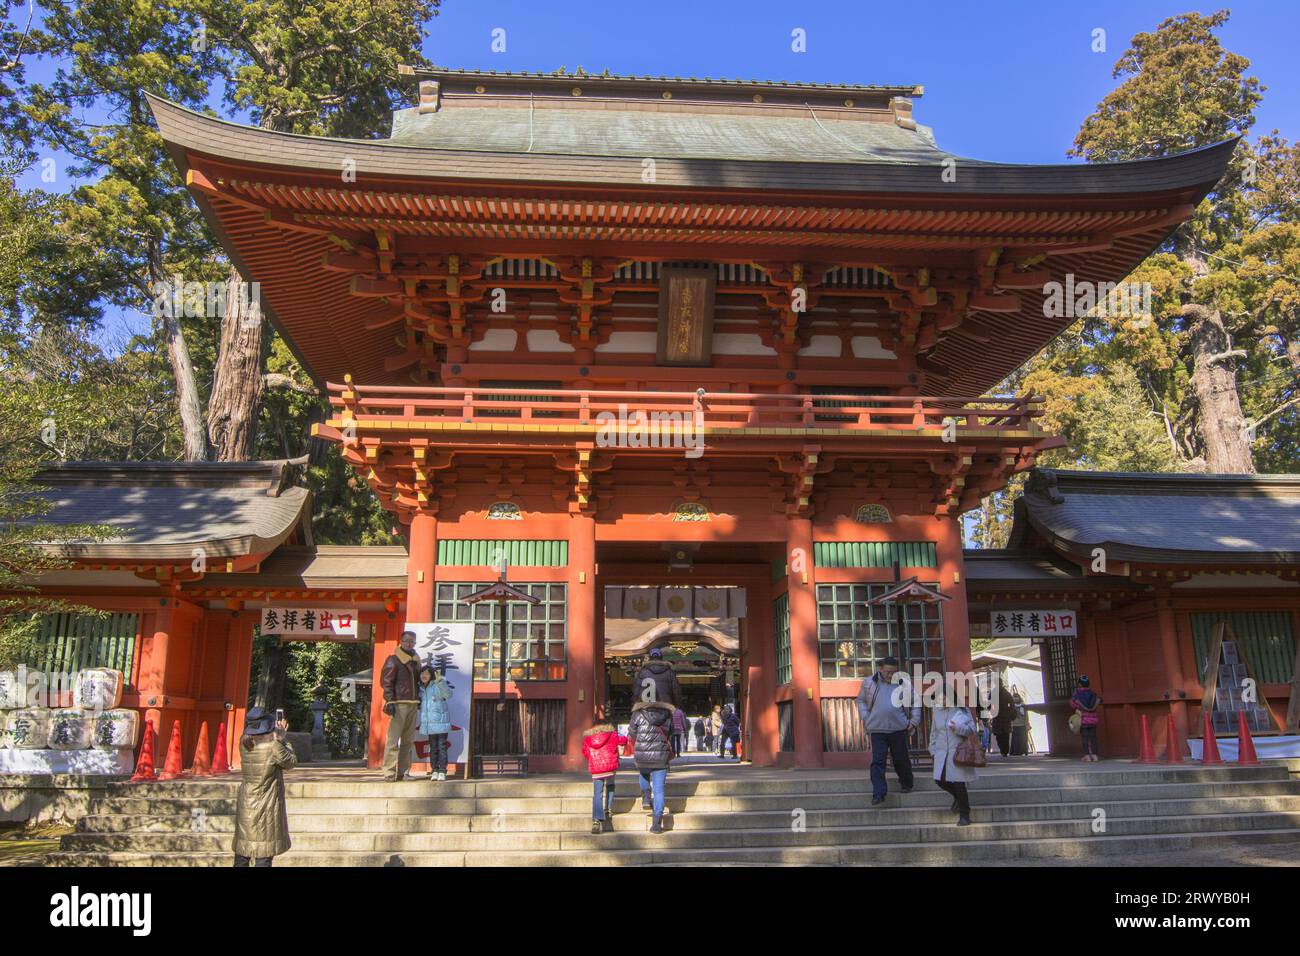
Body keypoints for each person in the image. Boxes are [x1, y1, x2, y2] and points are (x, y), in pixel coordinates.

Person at [233, 706, 297, 866]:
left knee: (243, 850)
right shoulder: (273, 747)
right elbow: (291, 762)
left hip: (247, 800)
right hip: (266, 803)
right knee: (264, 852)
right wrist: (282, 739)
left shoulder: (244, 743)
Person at [855, 656, 919, 805]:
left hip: (899, 728)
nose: (890, 675)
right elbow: (861, 701)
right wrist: (866, 717)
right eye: (887, 672)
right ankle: (878, 793)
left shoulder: (904, 683)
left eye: (893, 672)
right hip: (877, 729)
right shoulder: (869, 683)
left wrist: (914, 721)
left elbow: (915, 701)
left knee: (900, 759)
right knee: (878, 761)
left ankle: (906, 783)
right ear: (880, 669)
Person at [627, 698, 675, 833]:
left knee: (643, 774)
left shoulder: (637, 714)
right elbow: (671, 731)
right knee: (659, 790)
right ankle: (656, 823)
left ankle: (646, 797)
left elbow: (632, 731)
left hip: (642, 753)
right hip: (660, 754)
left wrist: (640, 741)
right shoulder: (667, 715)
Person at [380, 629, 422, 781]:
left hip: (412, 703)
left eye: (412, 641)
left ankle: (403, 771)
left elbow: (419, 682)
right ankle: (389, 771)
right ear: (401, 641)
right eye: (406, 641)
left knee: (408, 740)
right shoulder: (393, 659)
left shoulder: (416, 661)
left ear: (415, 643)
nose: (409, 644)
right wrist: (389, 700)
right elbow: (386, 682)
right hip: (399, 703)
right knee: (393, 738)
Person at [929, 699, 979, 827]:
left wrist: (957, 728)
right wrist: (932, 750)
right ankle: (957, 798)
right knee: (939, 780)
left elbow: (971, 729)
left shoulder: (961, 710)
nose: (943, 701)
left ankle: (965, 815)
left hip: (957, 751)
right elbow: (934, 733)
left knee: (958, 783)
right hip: (941, 752)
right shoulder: (937, 711)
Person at [581, 714, 627, 834]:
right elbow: (624, 741)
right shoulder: (612, 734)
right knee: (610, 786)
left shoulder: (588, 738)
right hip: (610, 766)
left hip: (596, 769)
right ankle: (608, 809)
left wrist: (592, 759)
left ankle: (596, 820)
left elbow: (585, 752)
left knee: (597, 793)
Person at [417, 665, 454, 781]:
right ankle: (434, 770)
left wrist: (440, 682)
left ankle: (442, 770)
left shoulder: (437, 685)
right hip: (430, 724)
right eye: (422, 673)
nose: (424, 676)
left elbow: (448, 694)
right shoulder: (420, 688)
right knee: (433, 748)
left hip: (441, 723)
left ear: (432, 675)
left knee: (441, 747)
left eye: (427, 673)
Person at [1070, 675, 1103, 761]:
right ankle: (1095, 755)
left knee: (1085, 738)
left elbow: (1073, 705)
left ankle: (1087, 755)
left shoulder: (1077, 694)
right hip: (1093, 720)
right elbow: (1099, 702)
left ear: (1080, 684)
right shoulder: (1093, 694)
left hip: (1083, 719)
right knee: (1093, 738)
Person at [990, 679, 1014, 757]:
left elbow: (1012, 704)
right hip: (997, 716)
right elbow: (989, 703)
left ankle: (1005, 751)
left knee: (1005, 735)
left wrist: (1010, 712)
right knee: (999, 736)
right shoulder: (993, 692)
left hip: (1004, 717)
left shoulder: (1006, 693)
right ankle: (1003, 750)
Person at [1009, 688, 1029, 756]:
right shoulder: (1011, 707)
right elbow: (1010, 717)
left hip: (1022, 725)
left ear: (1019, 698)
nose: (1016, 699)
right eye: (1014, 697)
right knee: (1015, 740)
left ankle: (1023, 751)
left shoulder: (1023, 706)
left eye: (1017, 697)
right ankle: (1015, 752)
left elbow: (1026, 716)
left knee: (1023, 739)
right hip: (1014, 725)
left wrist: (1027, 724)